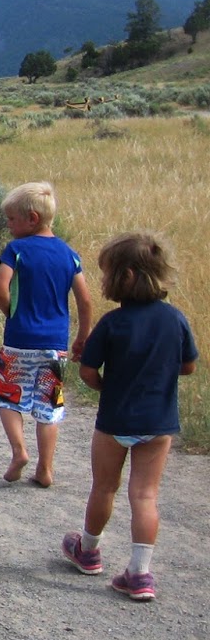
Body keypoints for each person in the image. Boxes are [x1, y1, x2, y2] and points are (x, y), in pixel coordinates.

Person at [62, 233, 197, 603]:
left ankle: (88, 551)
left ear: (126, 276)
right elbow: (188, 365)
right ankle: (139, 573)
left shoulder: (112, 323)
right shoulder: (175, 320)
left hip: (115, 420)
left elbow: (87, 372)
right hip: (158, 423)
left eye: (107, 273)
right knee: (145, 495)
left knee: (104, 487)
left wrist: (105, 385)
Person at [0, 182, 93, 488]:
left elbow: (0, 289)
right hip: (54, 345)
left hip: (19, 341)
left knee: (9, 394)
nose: (8, 226)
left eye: (12, 219)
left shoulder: (16, 250)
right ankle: (45, 469)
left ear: (31, 219)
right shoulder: (69, 255)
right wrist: (82, 337)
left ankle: (19, 452)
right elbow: (85, 301)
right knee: (49, 404)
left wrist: (12, 313)